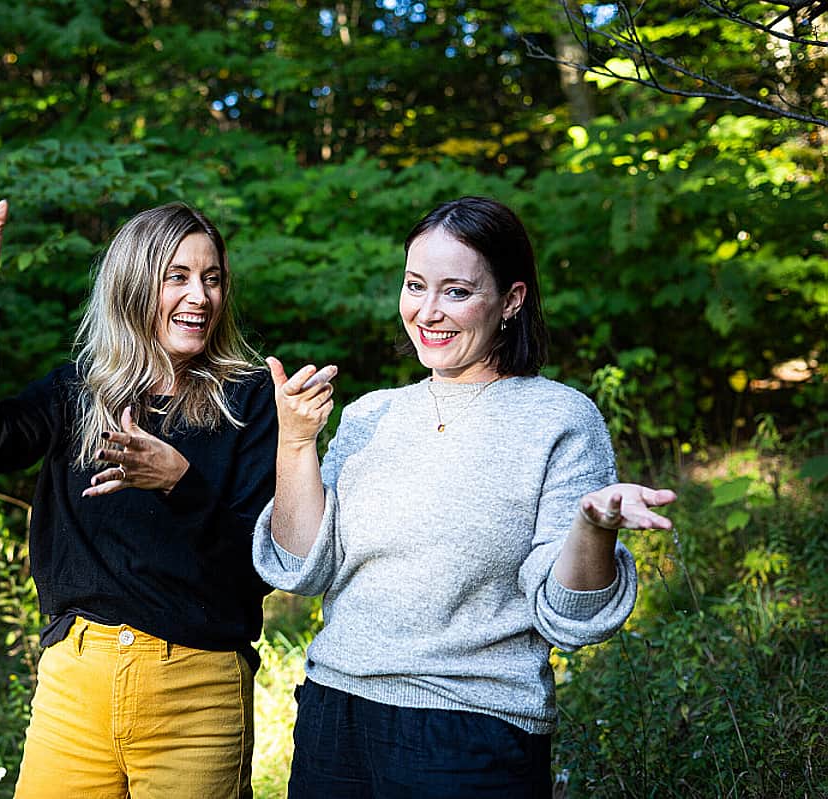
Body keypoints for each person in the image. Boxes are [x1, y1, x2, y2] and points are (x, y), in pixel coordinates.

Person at [253, 196, 677, 798]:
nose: (428, 311)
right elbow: (302, 568)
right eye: (415, 285)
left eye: (456, 291)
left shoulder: (558, 418)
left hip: (471, 732)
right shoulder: (372, 415)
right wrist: (295, 443)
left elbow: (572, 618)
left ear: (511, 299)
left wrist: (593, 527)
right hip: (334, 717)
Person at [0, 176, 276, 799]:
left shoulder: (248, 402)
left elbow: (260, 564)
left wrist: (181, 483)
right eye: (177, 277)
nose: (201, 295)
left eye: (213, 278)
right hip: (76, 683)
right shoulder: (80, 392)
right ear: (135, 286)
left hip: (197, 691)